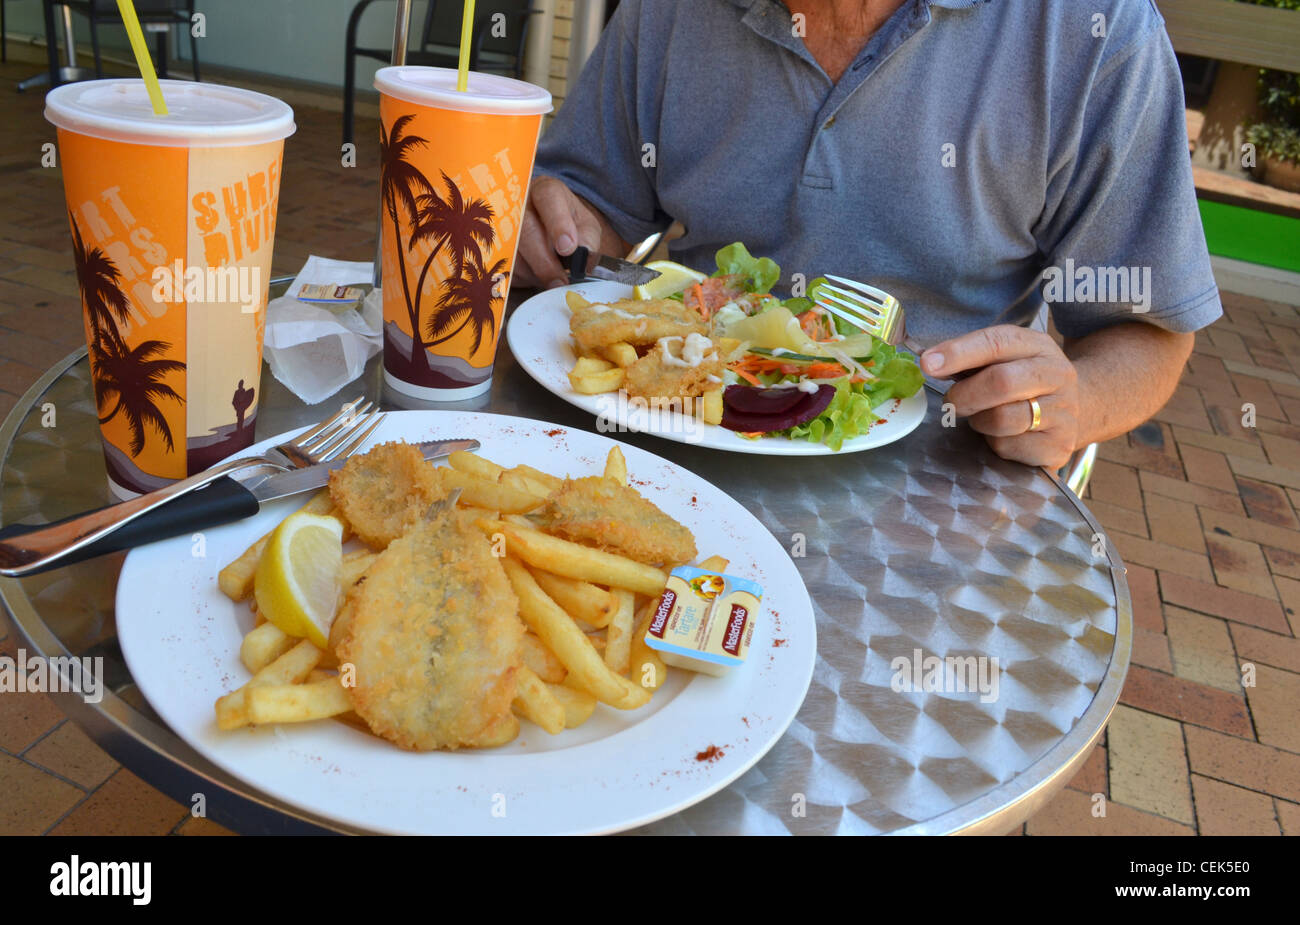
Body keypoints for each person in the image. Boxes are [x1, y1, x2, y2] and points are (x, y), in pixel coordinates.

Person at [516, 0, 1222, 469]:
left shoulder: (1092, 30)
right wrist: (559, 229)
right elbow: (591, 211)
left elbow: (1148, 329)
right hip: (677, 439)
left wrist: (1074, 403)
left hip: (940, 484)